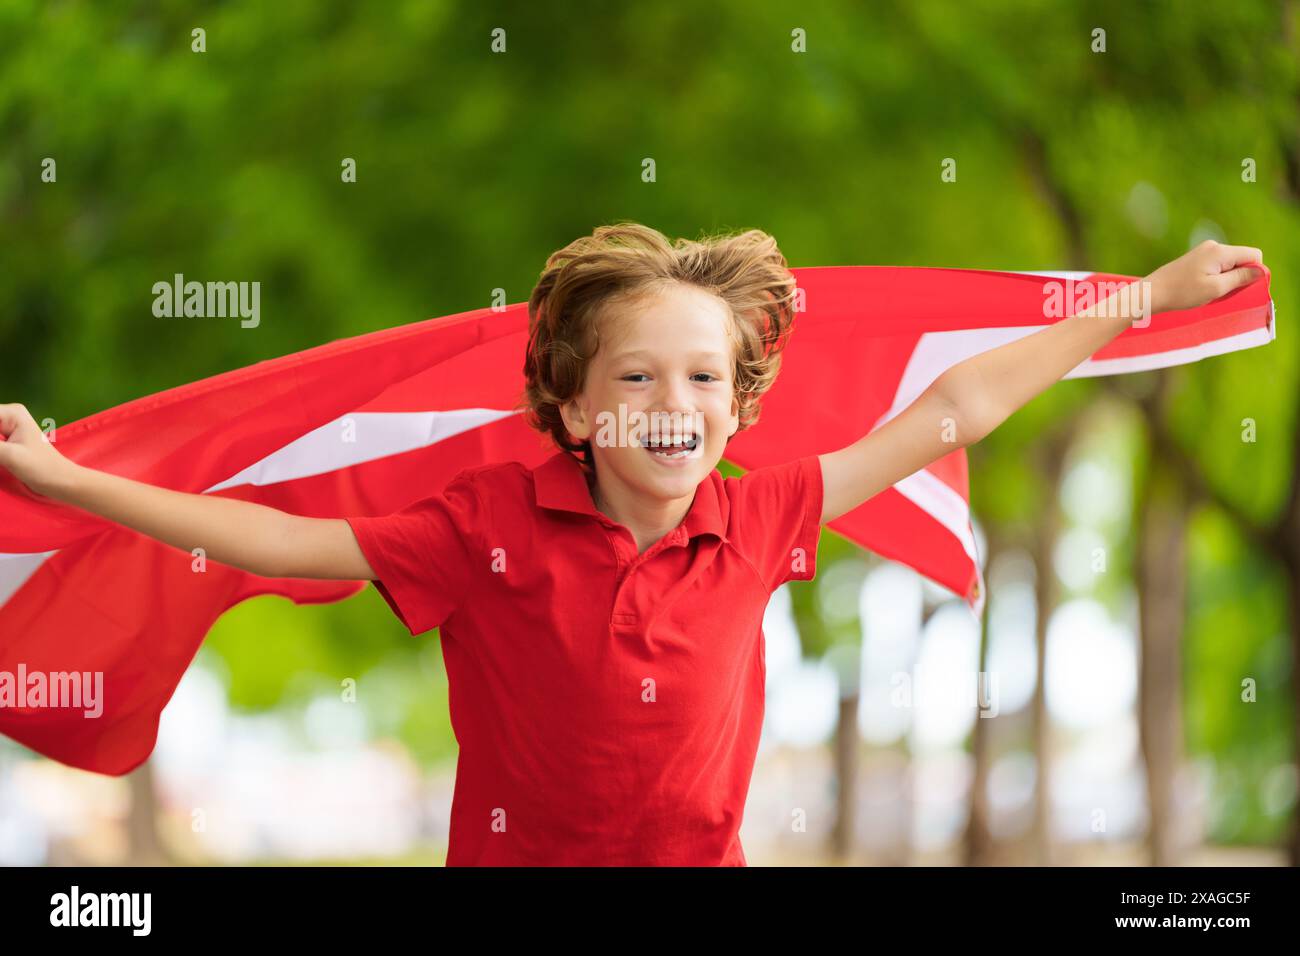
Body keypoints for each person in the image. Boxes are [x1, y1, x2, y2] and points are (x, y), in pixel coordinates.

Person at [0, 223, 1265, 865]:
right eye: (637, 375)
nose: (673, 402)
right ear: (574, 403)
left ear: (736, 402)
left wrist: (1140, 296)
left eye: (703, 376)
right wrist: (70, 480)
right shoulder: (485, 522)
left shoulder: (765, 512)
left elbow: (953, 406)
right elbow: (272, 534)